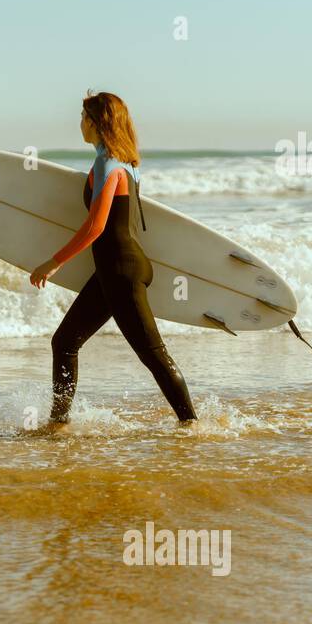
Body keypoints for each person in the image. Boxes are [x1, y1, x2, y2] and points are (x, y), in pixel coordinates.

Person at [29, 91, 197, 427]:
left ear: (95, 122)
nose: (79, 123)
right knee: (65, 341)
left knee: (153, 354)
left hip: (122, 270)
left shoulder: (108, 163)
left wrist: (54, 261)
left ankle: (192, 424)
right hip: (116, 269)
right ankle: (58, 423)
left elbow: (96, 225)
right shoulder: (128, 164)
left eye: (82, 116)